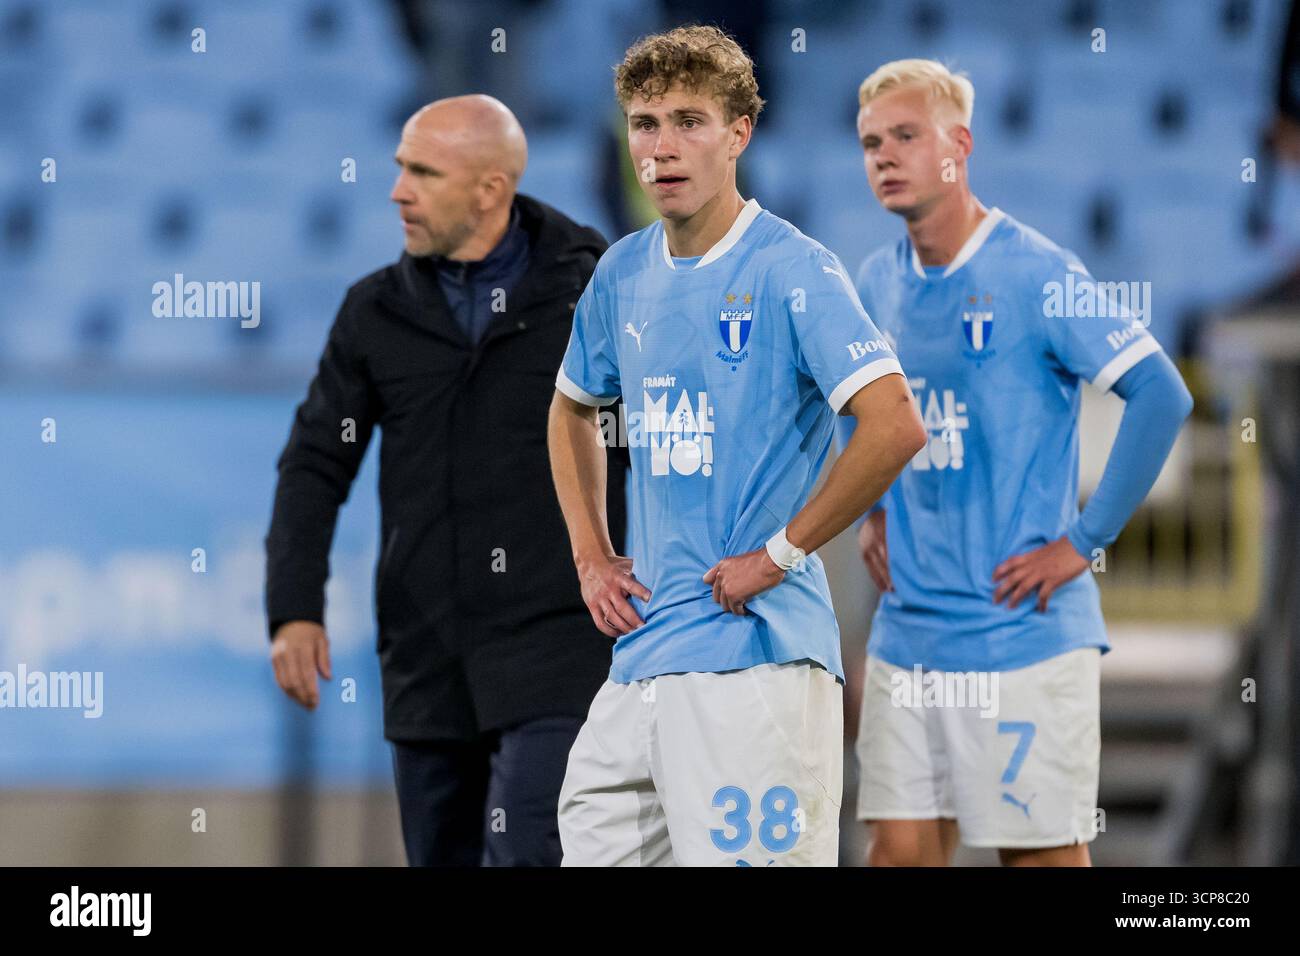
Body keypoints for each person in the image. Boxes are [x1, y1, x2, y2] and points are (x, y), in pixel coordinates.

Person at [547, 26, 926, 867]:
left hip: (756, 663)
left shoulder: (794, 269)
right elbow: (571, 408)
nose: (663, 147)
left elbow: (895, 422)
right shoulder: (620, 273)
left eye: (690, 121)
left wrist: (781, 553)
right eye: (645, 124)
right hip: (641, 661)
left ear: (739, 134)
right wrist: (591, 555)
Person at [841, 59, 1194, 866]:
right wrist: (874, 509)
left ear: (959, 146)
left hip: (1019, 635)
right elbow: (868, 409)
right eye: (869, 143)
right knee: (899, 857)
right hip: (910, 632)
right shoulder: (874, 281)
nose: (883, 157)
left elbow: (1161, 395)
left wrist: (1084, 539)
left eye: (905, 136)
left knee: (1035, 861)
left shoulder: (1037, 274)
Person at [265, 95, 627, 866]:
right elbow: (316, 461)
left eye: (422, 172)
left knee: (528, 847)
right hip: (427, 653)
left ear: (490, 190)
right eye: (400, 167)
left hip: (560, 641)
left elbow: (649, 448)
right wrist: (294, 606)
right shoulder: (375, 311)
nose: (397, 189)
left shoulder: (594, 291)